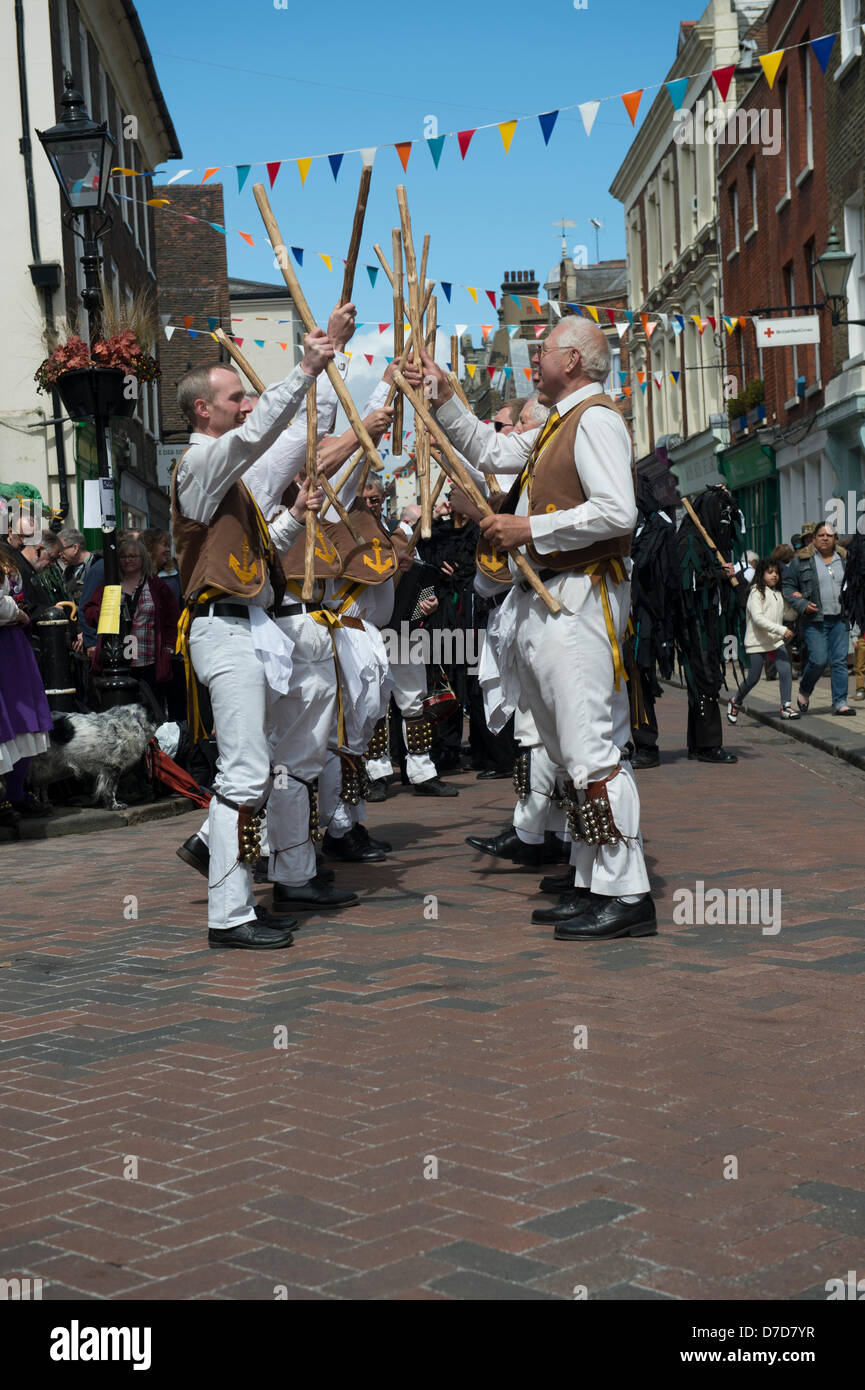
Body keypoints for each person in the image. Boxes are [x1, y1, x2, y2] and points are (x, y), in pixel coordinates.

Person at [406, 316, 654, 941]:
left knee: (591, 747)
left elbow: (617, 511)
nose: (532, 359)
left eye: (542, 350)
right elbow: (490, 451)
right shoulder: (556, 424)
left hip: (579, 595)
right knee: (568, 751)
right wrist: (445, 393)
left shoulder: (595, 418)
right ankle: (590, 878)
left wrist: (529, 529)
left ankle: (627, 892)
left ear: (572, 360)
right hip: (553, 596)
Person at [171, 324, 336, 950]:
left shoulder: (227, 481)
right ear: (202, 410)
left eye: (245, 398)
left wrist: (294, 516)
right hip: (223, 631)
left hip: (246, 627)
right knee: (243, 772)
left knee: (255, 768)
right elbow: (257, 435)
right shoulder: (200, 463)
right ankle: (228, 915)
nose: (245, 406)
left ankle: (238, 904)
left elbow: (261, 565)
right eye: (235, 397)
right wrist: (306, 369)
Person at [84, 538, 180, 715]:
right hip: (117, 660)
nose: (127, 560)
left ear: (143, 559)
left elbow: (172, 616)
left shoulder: (156, 585)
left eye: (133, 556)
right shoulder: (110, 584)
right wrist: (105, 615)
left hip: (148, 658)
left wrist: (168, 647)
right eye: (123, 557)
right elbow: (89, 610)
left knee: (151, 707)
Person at [0, 539, 53, 823]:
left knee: (20, 720)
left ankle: (15, 793)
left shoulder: (7, 556)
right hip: (6, 643)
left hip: (11, 646)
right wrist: (16, 611)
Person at [783, 522, 855, 716]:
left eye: (829, 535)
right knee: (819, 660)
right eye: (821, 535)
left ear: (835, 539)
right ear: (814, 539)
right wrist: (802, 604)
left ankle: (840, 702)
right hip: (814, 619)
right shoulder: (801, 560)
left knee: (839, 661)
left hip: (840, 618)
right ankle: (805, 690)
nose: (825, 538)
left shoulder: (845, 559)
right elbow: (788, 587)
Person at [727, 559, 798, 722]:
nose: (774, 575)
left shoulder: (778, 593)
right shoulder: (756, 593)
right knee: (753, 678)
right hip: (757, 642)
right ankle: (735, 701)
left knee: (785, 670)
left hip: (775, 641)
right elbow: (758, 619)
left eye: (776, 572)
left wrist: (797, 603)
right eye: (770, 572)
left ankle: (786, 706)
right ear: (761, 573)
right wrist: (782, 630)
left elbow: (788, 614)